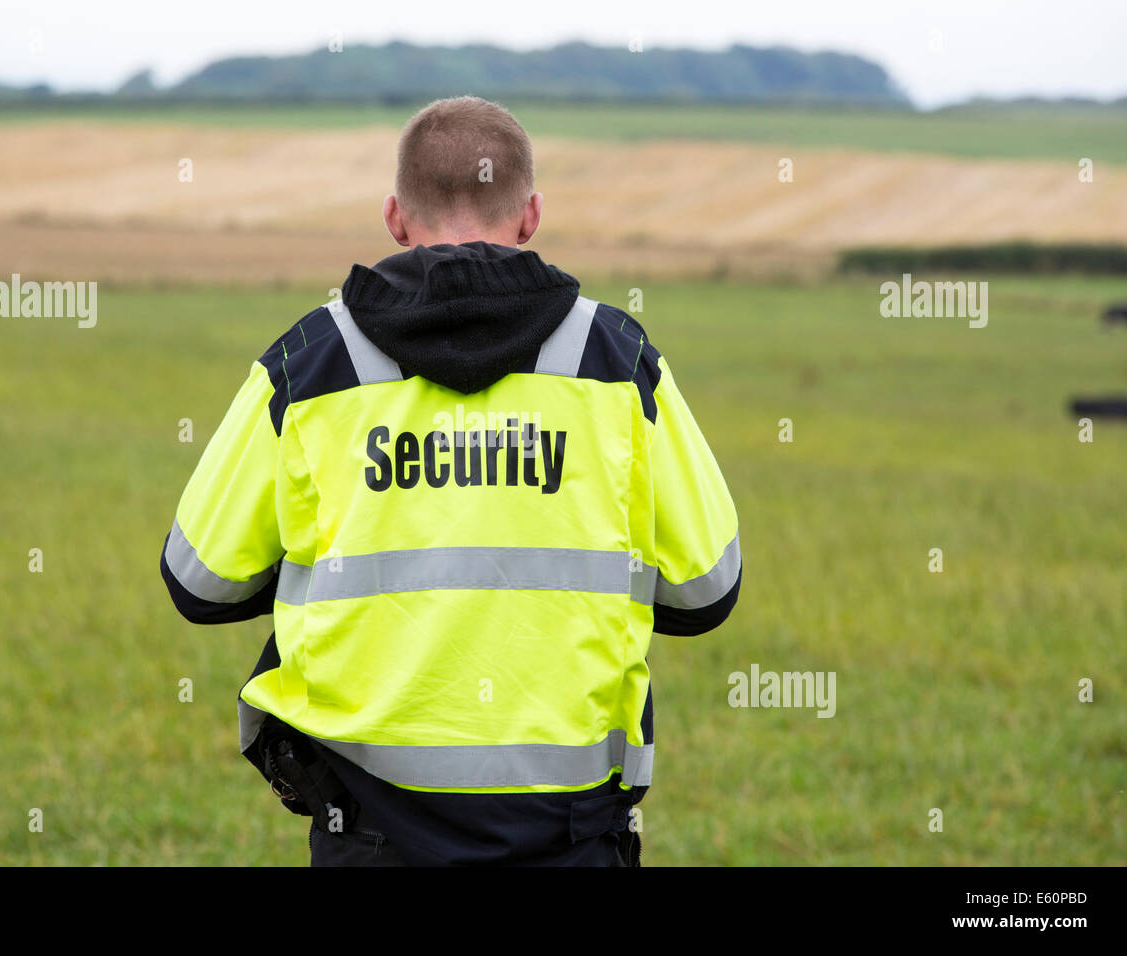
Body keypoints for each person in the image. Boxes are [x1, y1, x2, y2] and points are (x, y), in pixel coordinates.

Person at [160, 95, 741, 866]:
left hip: (369, 836)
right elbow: (708, 588)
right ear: (530, 216)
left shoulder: (309, 363)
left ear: (396, 219)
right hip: (570, 840)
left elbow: (198, 581)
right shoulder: (617, 360)